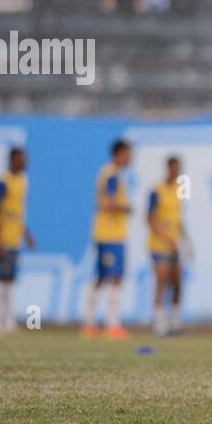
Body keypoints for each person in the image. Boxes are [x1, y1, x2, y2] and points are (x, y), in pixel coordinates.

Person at [83, 139, 132, 339]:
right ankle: (112, 324)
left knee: (101, 277)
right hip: (110, 234)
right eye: (128, 153)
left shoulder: (109, 173)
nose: (130, 158)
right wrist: (126, 207)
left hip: (105, 233)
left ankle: (90, 324)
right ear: (119, 154)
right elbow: (110, 204)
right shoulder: (112, 175)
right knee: (115, 277)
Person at [0, 146, 35, 333]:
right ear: (13, 160)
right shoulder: (2, 181)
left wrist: (26, 235)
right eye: (22, 159)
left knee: (10, 280)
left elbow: (16, 213)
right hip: (0, 239)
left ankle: (8, 321)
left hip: (14, 239)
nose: (25, 162)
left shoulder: (23, 181)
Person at [148, 155, 187, 336]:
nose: (175, 172)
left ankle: (175, 323)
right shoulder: (157, 190)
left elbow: (179, 218)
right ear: (167, 168)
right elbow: (150, 218)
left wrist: (185, 240)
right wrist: (165, 237)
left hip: (176, 244)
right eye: (173, 168)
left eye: (178, 169)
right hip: (159, 244)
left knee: (177, 283)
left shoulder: (180, 189)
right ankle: (159, 323)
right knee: (162, 280)